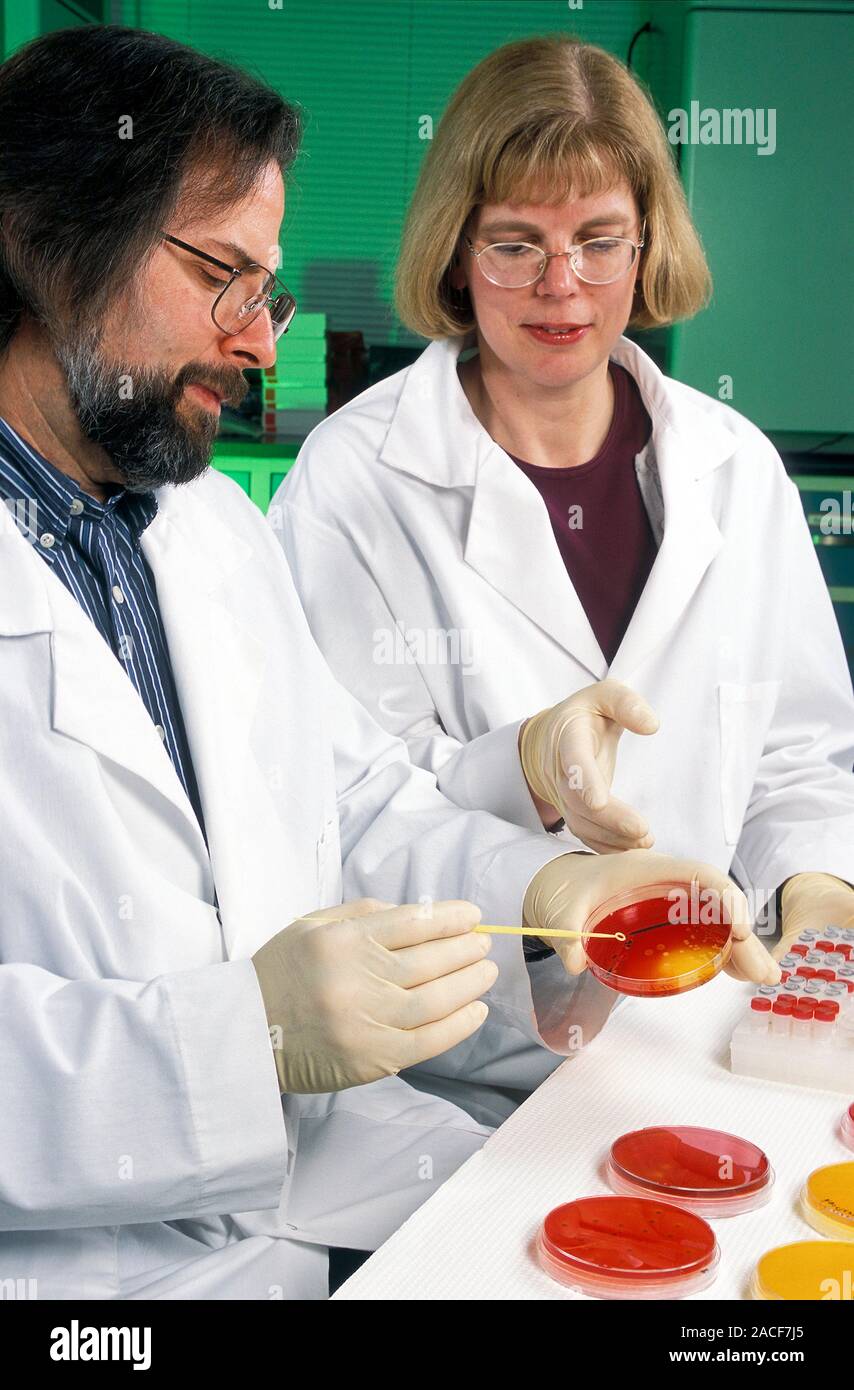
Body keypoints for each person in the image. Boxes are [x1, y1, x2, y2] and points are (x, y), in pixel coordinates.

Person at [0, 25, 777, 1303]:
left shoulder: (203, 532)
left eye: (270, 290)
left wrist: (553, 887)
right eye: (220, 278)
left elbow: (353, 806)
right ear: (46, 241)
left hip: (318, 1188)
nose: (259, 345)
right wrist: (239, 1038)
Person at [272, 33, 854, 1113]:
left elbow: (798, 756)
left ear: (644, 247)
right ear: (454, 251)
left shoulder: (733, 468)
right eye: (513, 244)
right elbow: (339, 814)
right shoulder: (355, 479)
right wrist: (526, 785)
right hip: (458, 1084)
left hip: (710, 1045)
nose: (561, 285)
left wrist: (813, 886)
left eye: (598, 240)